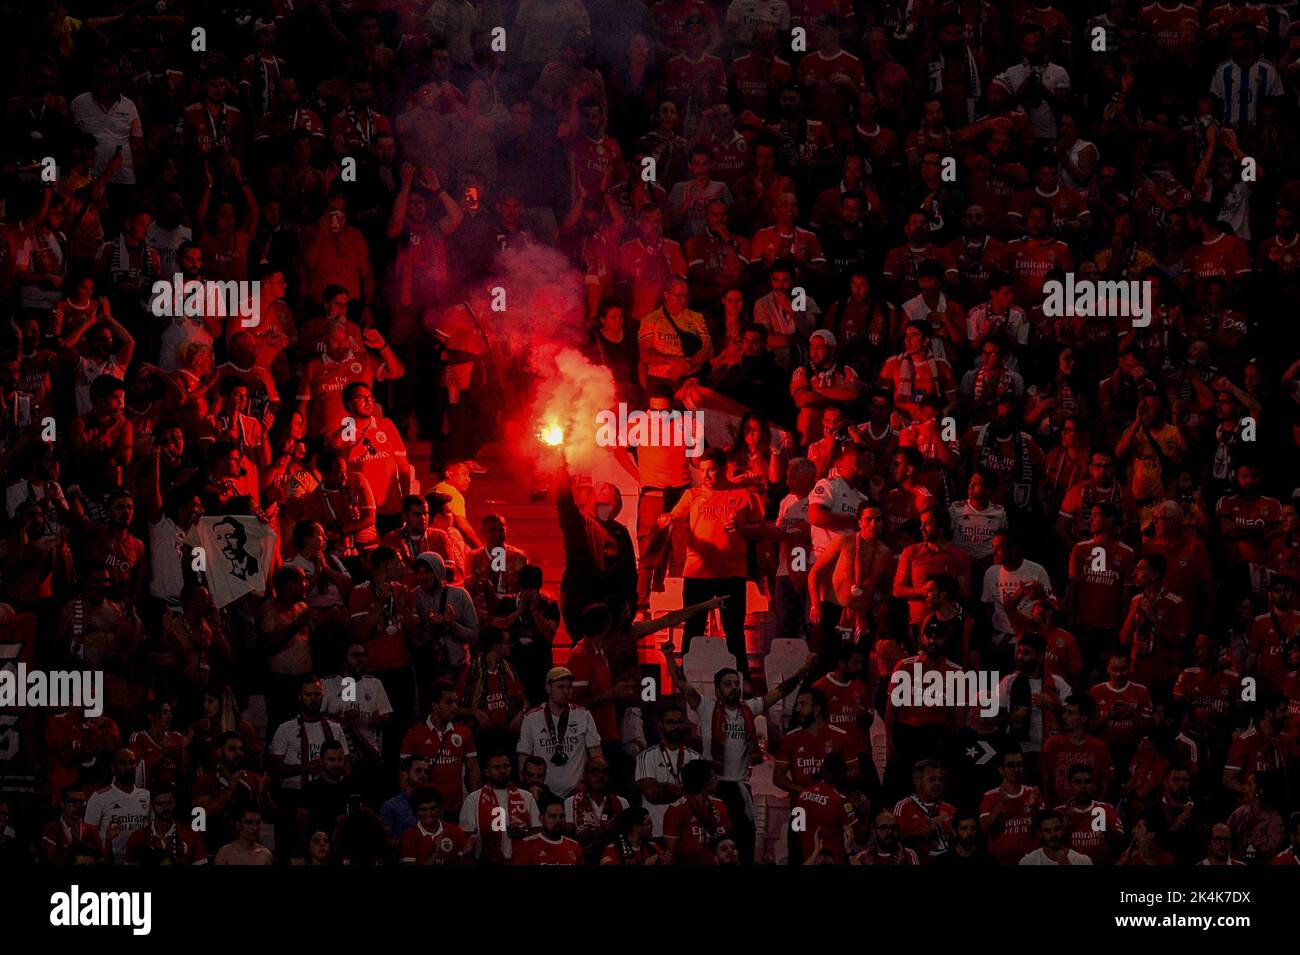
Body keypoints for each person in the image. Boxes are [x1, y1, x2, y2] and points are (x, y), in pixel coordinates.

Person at [662, 644, 814, 864]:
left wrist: (803, 670)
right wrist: (668, 655)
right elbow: (681, 683)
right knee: (715, 849)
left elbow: (781, 690)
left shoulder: (750, 708)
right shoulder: (706, 708)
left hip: (741, 786)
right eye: (728, 684)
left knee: (744, 845)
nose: (734, 688)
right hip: (714, 788)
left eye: (737, 684)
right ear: (717, 691)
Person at [517, 667, 602, 798]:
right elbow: (524, 756)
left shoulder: (583, 715)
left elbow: (595, 754)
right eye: (560, 687)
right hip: (543, 792)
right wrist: (528, 787)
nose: (566, 691)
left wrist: (587, 783)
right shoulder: (531, 718)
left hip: (577, 792)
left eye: (569, 687)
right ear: (548, 688)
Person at [1019, 810, 1093, 865]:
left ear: (1062, 830)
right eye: (1047, 830)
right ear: (1040, 833)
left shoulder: (1083, 861)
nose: (1053, 834)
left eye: (1057, 829)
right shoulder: (1028, 862)